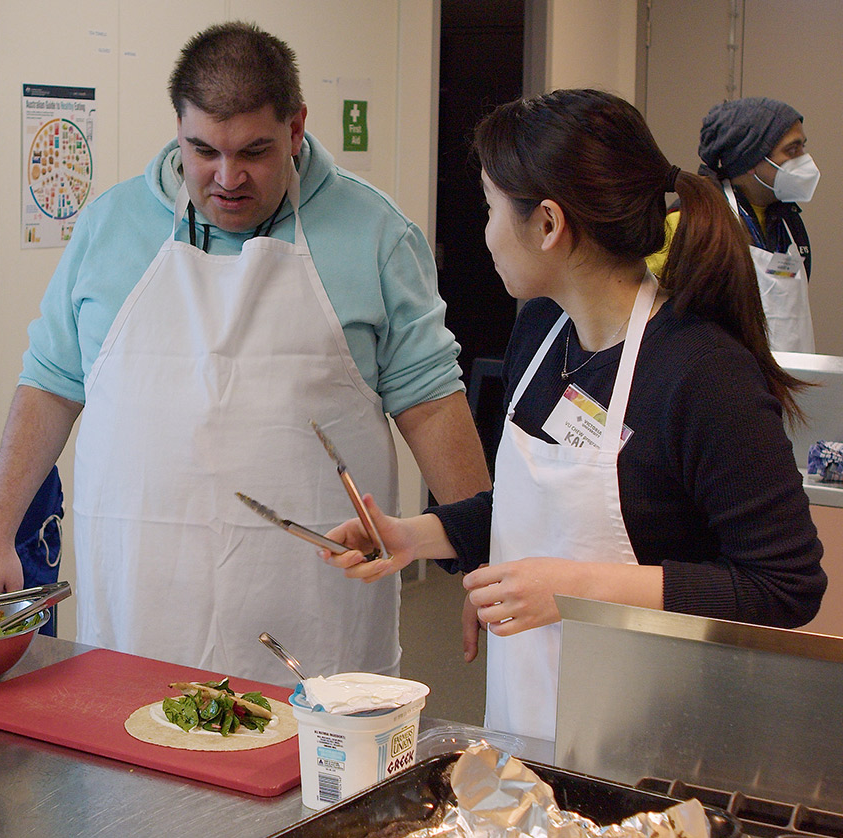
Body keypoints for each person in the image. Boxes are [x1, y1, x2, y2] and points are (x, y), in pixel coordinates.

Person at [0, 21, 489, 686]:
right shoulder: (110, 226)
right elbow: (50, 386)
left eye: (255, 152)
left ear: (297, 129)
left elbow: (432, 405)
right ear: (178, 129)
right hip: (141, 602)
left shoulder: (376, 232)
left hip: (314, 612)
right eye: (203, 150)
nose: (227, 177)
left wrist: (482, 557)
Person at [321, 89, 826, 742]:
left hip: (659, 741)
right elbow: (531, 510)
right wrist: (414, 536)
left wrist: (577, 589)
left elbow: (783, 588)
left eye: (490, 208)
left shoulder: (703, 374)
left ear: (549, 224)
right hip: (528, 715)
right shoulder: (541, 328)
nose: (485, 232)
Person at [647, 97, 819, 352]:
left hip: (793, 380)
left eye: (803, 148)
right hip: (725, 379)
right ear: (751, 160)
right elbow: (644, 307)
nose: (805, 161)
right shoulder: (691, 221)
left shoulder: (788, 222)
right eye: (792, 150)